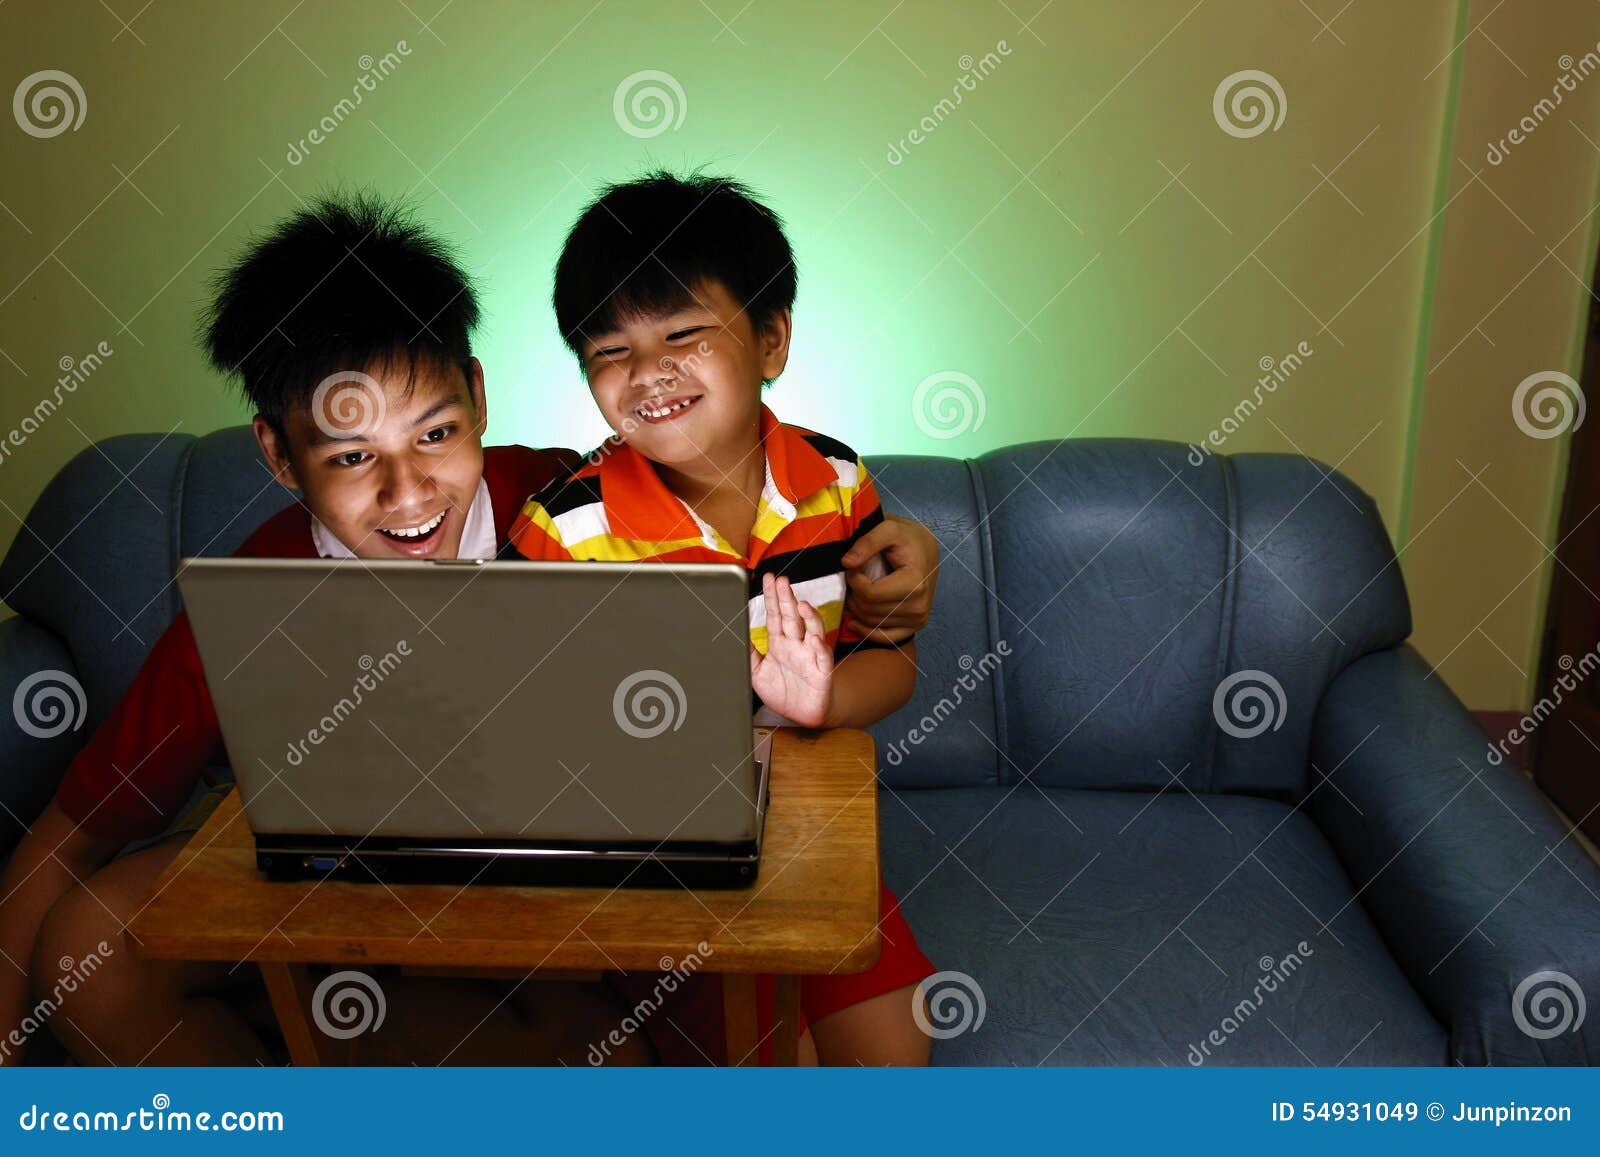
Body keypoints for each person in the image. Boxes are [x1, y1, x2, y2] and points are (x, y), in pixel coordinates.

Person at [0, 191, 940, 1066]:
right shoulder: (258, 596)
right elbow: (71, 835)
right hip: (351, 905)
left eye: (436, 436)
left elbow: (735, 506)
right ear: (280, 455)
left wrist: (898, 561)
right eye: (353, 455)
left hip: (554, 928)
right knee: (89, 940)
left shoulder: (568, 500)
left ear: (479, 401)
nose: (407, 495)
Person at [509, 170, 936, 1065]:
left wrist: (821, 703)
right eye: (609, 351)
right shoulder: (564, 529)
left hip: (809, 843)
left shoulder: (836, 481)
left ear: (771, 339)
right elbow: (525, 739)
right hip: (657, 873)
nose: (647, 372)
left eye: (684, 334)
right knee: (779, 1072)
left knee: (896, 1056)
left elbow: (892, 659)